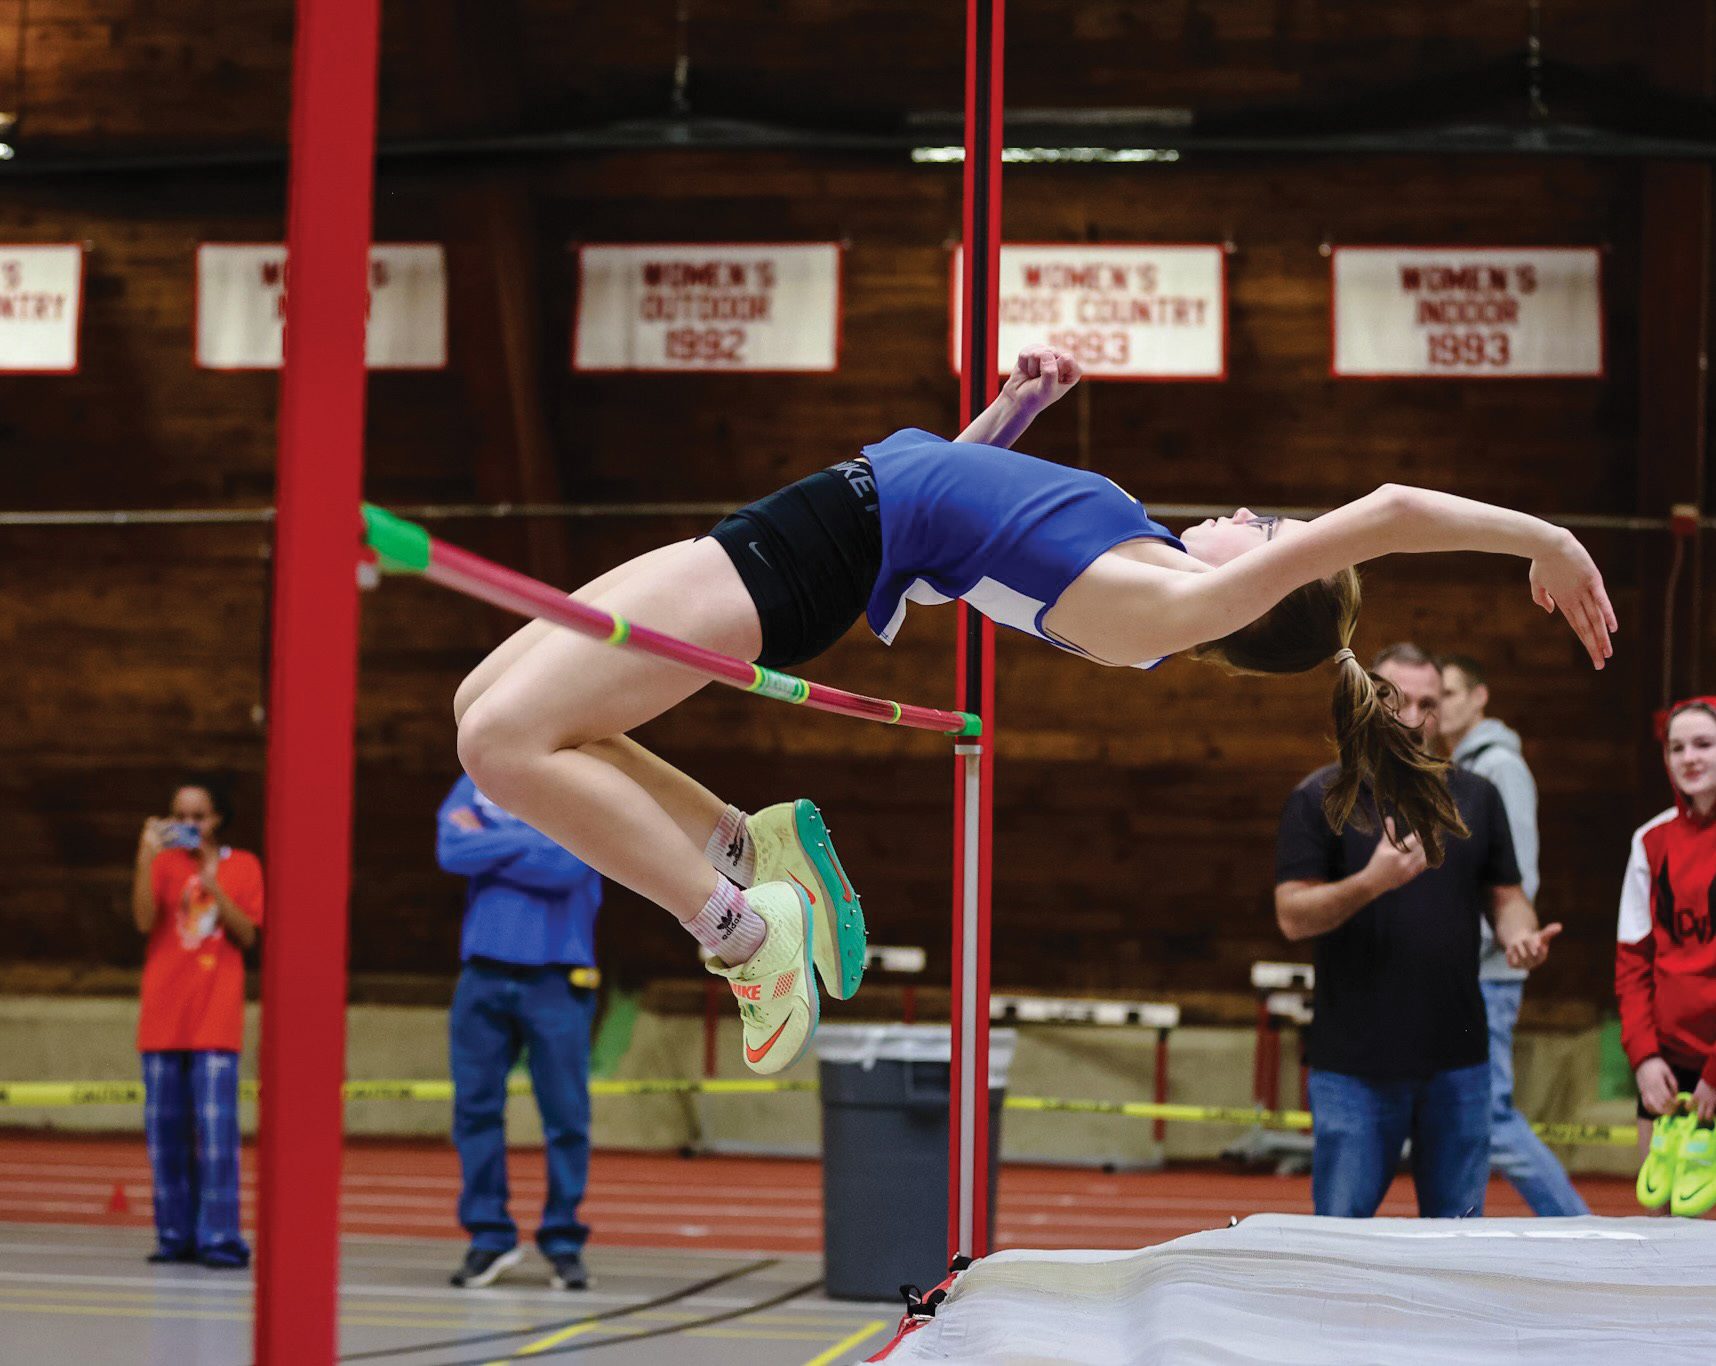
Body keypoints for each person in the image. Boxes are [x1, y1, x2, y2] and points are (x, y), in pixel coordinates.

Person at [453, 344, 1615, 1077]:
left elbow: (1394, 506)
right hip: (824, 528)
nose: (1249, 511)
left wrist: (1547, 540)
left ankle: (743, 930)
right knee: (485, 701)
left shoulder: (1178, 603)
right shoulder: (1147, 557)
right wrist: (1008, 414)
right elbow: (945, 535)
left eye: (1267, 527)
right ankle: (742, 844)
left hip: (802, 552)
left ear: (1267, 581)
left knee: (501, 743)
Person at [1275, 643, 1561, 1218]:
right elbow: (1292, 915)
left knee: (1456, 1241)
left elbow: (1507, 898)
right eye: (1396, 701)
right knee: (1339, 1242)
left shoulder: (1476, 797)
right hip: (1354, 1065)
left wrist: (1518, 936)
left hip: (1457, 1062)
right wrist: (1371, 882)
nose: (1412, 718)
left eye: (1427, 703)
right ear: (1366, 701)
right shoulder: (1322, 797)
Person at [437, 772, 605, 1290]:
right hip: (483, 972)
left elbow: (568, 864)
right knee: (474, 1110)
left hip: (558, 975)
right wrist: (536, 836)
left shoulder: (584, 783)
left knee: (566, 1118)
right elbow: (450, 850)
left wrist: (493, 845)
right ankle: (489, 1238)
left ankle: (562, 1240)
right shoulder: (478, 780)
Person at [1440, 654, 1588, 1216]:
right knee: (1467, 1113)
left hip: (1488, 967)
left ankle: (1577, 1226)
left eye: (1450, 693)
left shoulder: (1500, 767)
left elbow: (1514, 870)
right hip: (1469, 966)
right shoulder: (1460, 766)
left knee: (1489, 1114)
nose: (1440, 707)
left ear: (1481, 697)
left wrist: (1481, 940)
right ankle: (1463, 1227)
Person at [131, 778, 263, 1267]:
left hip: (215, 1019)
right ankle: (174, 1235)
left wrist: (213, 883)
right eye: (179, 816)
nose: (189, 826)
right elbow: (145, 921)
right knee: (165, 1136)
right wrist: (145, 857)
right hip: (163, 1018)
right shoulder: (163, 864)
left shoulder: (244, 865)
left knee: (216, 1139)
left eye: (199, 816)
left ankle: (220, 1237)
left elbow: (247, 934)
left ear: (219, 818)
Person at [1616, 698, 1716, 1176]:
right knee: (1655, 1222)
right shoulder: (1650, 840)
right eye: (1677, 748)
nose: (1689, 758)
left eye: (1704, 744)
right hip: (1668, 1066)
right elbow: (1633, 962)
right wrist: (1644, 1056)